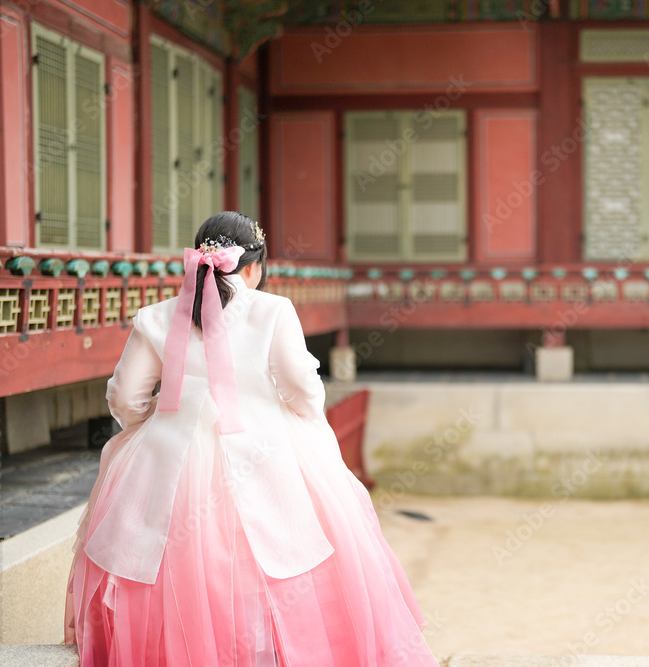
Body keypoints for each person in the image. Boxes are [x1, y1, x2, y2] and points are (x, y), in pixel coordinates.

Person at [65, 212, 438, 666]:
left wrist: (159, 421)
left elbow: (125, 398)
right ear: (254, 266)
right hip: (264, 449)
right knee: (280, 560)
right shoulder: (273, 309)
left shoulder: (155, 317)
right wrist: (301, 422)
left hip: (169, 458)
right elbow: (303, 388)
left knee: (170, 571)